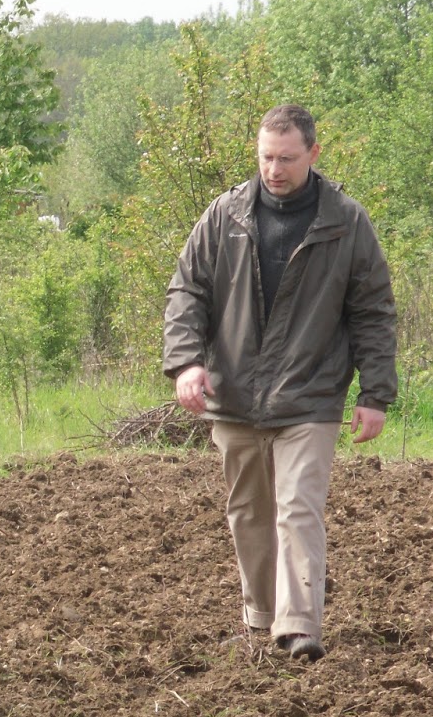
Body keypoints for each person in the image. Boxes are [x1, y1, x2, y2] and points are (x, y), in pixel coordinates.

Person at [163, 104, 397, 662]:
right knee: (248, 510)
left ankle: (298, 627)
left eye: (287, 158)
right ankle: (261, 618)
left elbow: (373, 311)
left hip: (310, 393)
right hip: (235, 392)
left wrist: (376, 394)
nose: (274, 169)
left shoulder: (345, 221)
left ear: (313, 154)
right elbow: (186, 292)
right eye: (266, 157)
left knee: (297, 507)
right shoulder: (223, 216)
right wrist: (187, 363)